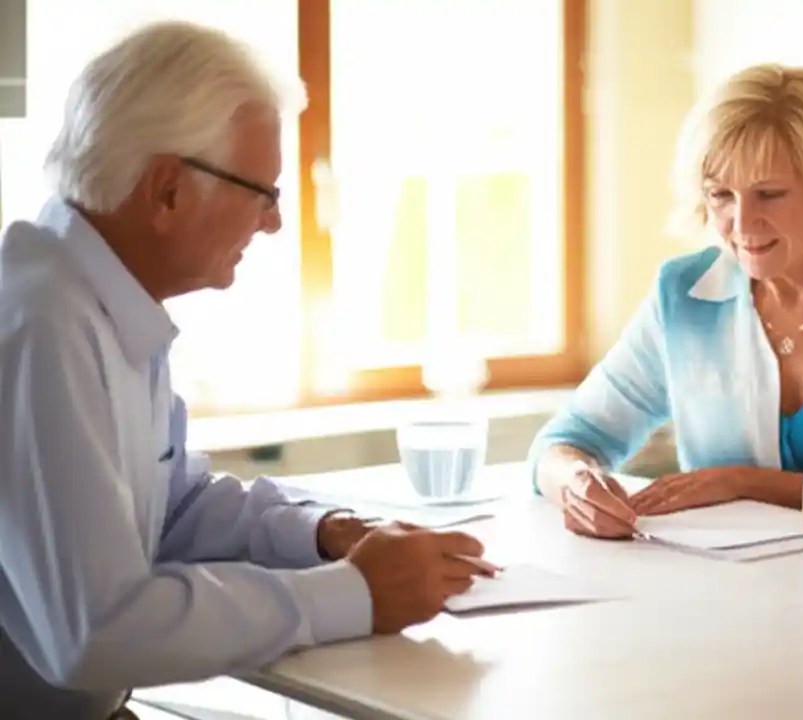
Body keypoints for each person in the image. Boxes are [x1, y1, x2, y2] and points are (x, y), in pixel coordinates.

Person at [0, 22, 491, 719]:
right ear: (167, 190)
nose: (273, 224)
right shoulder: (41, 323)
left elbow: (170, 509)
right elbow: (94, 636)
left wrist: (323, 532)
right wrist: (354, 595)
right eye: (263, 191)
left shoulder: (98, 300)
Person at [530, 63, 803, 538]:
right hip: (726, 588)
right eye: (721, 195)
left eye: (769, 194)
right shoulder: (682, 296)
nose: (742, 223)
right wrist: (576, 483)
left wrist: (740, 483)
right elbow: (564, 441)